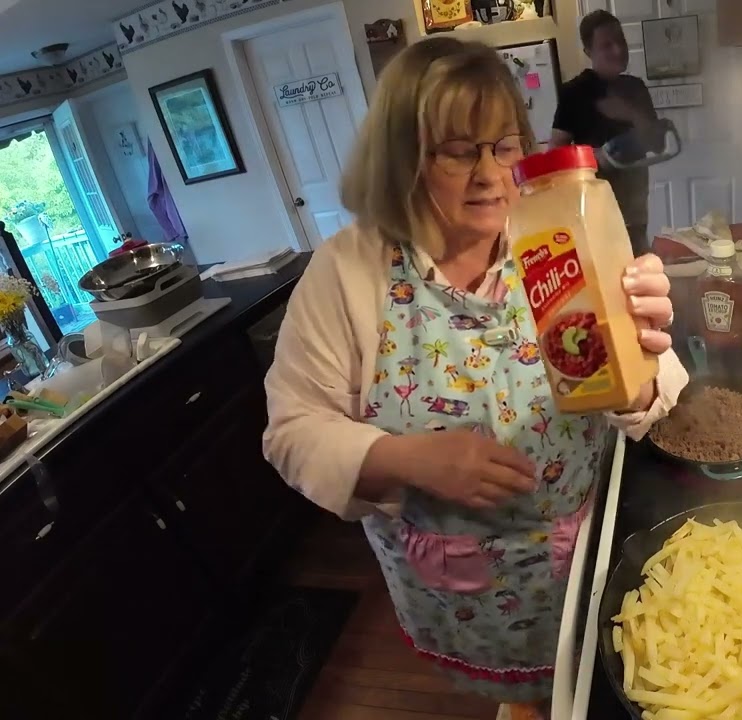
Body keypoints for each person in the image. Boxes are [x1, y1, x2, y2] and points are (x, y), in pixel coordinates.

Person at [262, 38, 688, 718]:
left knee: (588, 681)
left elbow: (648, 394)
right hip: (461, 589)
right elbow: (292, 432)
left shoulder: (555, 227)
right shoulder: (350, 271)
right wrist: (409, 460)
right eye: (460, 150)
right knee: (523, 699)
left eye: (505, 145)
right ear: (403, 156)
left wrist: (639, 367)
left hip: (578, 553)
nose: (492, 175)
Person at [551, 9, 661, 257]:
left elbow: (657, 142)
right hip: (594, 214)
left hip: (636, 211)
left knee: (639, 272)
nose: (618, 50)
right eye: (606, 45)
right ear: (589, 52)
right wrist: (594, 157)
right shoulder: (575, 93)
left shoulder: (636, 88)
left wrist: (630, 114)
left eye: (620, 41)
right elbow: (555, 155)